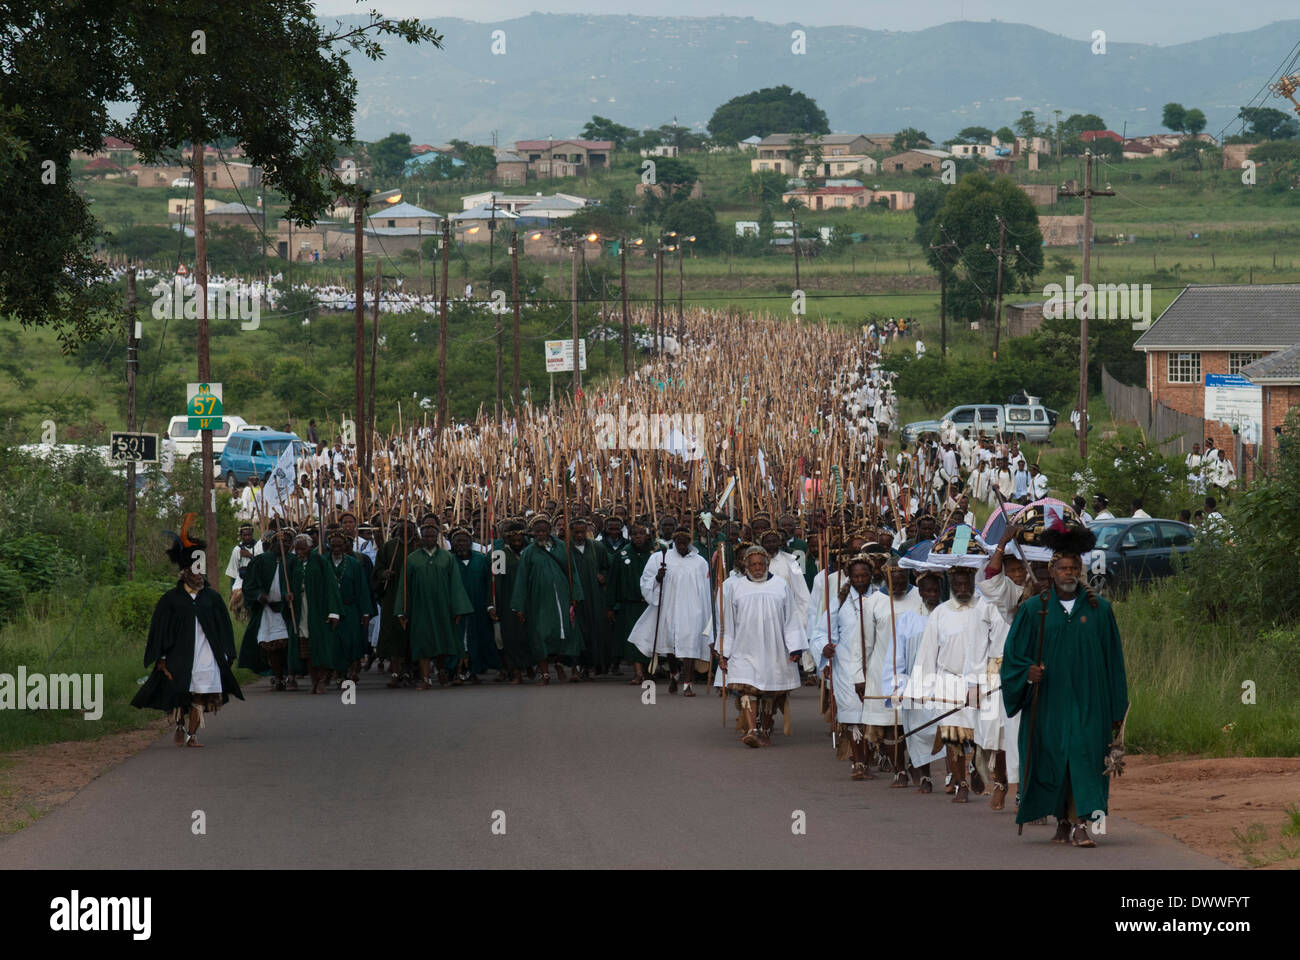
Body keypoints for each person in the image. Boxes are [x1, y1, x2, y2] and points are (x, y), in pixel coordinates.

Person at [1002, 522, 1128, 847]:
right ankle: (1062, 820)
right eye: (1062, 568)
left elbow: (1114, 661)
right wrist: (1028, 673)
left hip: (1090, 701)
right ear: (1052, 570)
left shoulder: (1100, 611)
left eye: (1073, 568)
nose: (1068, 573)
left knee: (1084, 758)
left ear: (1080, 570)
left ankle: (1081, 824)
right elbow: (1014, 656)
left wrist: (1117, 708)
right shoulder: (1034, 610)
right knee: (1053, 758)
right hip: (1049, 702)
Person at [131, 515, 244, 747]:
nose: (199, 576)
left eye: (201, 572)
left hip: (207, 655)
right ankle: (180, 724)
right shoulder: (171, 600)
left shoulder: (211, 598)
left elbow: (223, 628)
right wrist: (161, 658)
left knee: (201, 693)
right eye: (195, 572)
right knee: (180, 692)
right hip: (179, 656)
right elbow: (160, 631)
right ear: (184, 572)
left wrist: (225, 653)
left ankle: (192, 735)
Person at [911, 564, 997, 803]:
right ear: (951, 585)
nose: (962, 589)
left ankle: (976, 768)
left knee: (980, 735)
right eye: (957, 584)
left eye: (966, 584)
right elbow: (928, 651)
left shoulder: (985, 609)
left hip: (981, 683)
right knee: (952, 736)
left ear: (973, 583)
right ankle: (960, 784)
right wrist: (922, 687)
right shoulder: (940, 612)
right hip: (948, 681)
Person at [717, 546, 807, 748]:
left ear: (767, 565)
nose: (757, 568)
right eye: (753, 564)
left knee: (769, 691)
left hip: (774, 648)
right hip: (744, 647)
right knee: (747, 687)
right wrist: (724, 652)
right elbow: (729, 624)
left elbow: (791, 619)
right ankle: (751, 729)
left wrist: (795, 648)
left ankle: (765, 729)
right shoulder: (736, 588)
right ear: (746, 566)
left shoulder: (780, 585)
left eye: (761, 564)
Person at [808, 554, 876, 780]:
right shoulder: (839, 602)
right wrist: (824, 649)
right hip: (845, 665)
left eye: (864, 575)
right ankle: (859, 762)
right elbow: (821, 632)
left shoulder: (880, 599)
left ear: (871, 576)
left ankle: (871, 755)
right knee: (853, 715)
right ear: (849, 576)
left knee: (872, 714)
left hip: (874, 665)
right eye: (855, 576)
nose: (859, 580)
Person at [628, 527, 712, 695]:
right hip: (669, 607)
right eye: (678, 541)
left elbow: (705, 589)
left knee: (690, 645)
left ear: (689, 542)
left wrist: (705, 611)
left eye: (684, 541)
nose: (681, 544)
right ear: (674, 541)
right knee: (670, 645)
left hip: (692, 609)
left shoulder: (700, 562)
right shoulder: (659, 558)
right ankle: (674, 674)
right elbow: (646, 581)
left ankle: (687, 684)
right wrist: (658, 578)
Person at [394, 519, 473, 689]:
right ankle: (425, 678)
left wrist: (458, 608)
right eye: (426, 536)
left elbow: (456, 585)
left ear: (437, 537)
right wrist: (402, 611)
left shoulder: (447, 558)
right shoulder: (412, 559)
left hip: (442, 607)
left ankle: (441, 670)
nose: (429, 539)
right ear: (421, 536)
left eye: (432, 536)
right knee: (423, 642)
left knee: (442, 641)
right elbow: (404, 587)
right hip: (420, 608)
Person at [510, 514, 584, 685]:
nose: (541, 534)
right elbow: (521, 580)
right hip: (540, 601)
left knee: (565, 631)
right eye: (538, 532)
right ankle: (544, 673)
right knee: (540, 634)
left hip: (563, 598)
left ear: (550, 531)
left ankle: (561, 664)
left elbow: (573, 573)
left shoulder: (562, 547)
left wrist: (576, 596)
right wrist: (519, 607)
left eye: (544, 531)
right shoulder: (529, 553)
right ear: (533, 533)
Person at [236, 526, 295, 690]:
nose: (286, 545)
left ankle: (290, 675)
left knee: (287, 644)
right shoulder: (261, 560)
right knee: (272, 645)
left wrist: (288, 596)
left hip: (286, 609)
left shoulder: (292, 561)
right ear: (274, 542)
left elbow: (296, 584)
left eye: (289, 542)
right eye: (283, 541)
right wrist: (260, 596)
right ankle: (277, 677)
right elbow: (250, 585)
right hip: (266, 610)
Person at [288, 533, 344, 694]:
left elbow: (331, 586)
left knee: (322, 645)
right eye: (297, 549)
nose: (300, 552)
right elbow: (288, 584)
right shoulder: (294, 564)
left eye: (303, 549)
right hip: (302, 611)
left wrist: (334, 612)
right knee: (306, 647)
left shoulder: (320, 561)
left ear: (310, 547)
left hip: (319, 611)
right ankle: (314, 680)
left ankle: (323, 679)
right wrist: (289, 594)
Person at [607, 521, 655, 685]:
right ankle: (638, 672)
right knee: (634, 638)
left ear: (646, 535)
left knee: (649, 637)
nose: (638, 537)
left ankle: (650, 671)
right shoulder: (623, 554)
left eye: (641, 534)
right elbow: (614, 581)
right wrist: (611, 605)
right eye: (634, 534)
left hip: (649, 604)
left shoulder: (654, 553)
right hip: (631, 604)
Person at [450, 526, 496, 682]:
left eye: (464, 541)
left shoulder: (482, 560)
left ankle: (473, 670)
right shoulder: (449, 560)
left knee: (476, 639)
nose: (461, 544)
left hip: (478, 606)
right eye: (458, 541)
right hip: (456, 608)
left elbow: (490, 583)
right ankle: (457, 671)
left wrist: (490, 605)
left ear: (470, 542)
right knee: (458, 640)